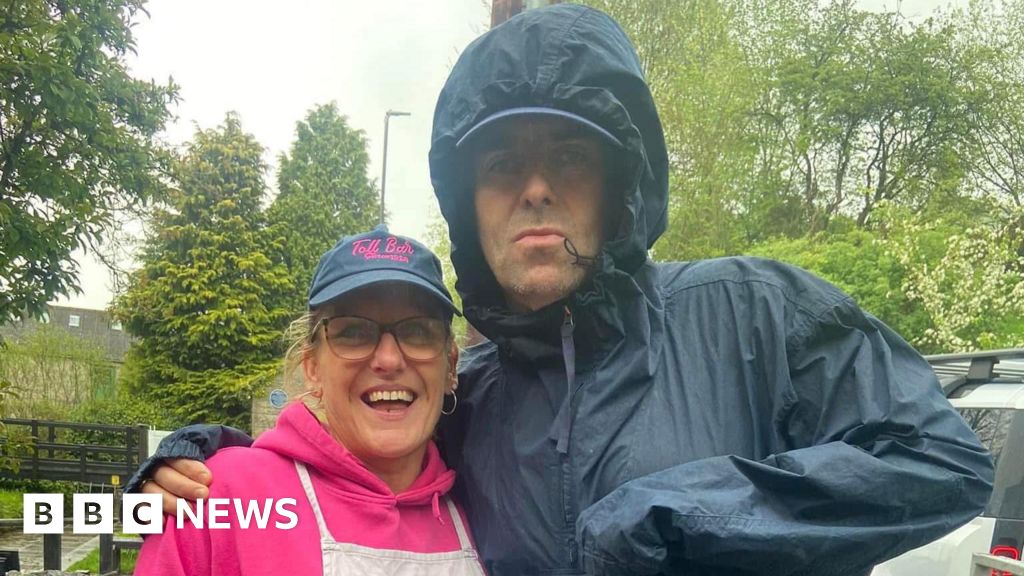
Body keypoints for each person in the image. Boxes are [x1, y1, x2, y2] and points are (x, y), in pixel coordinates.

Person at [131, 5, 994, 575]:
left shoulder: (753, 315)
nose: (536, 188)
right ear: (470, 210)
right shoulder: (472, 397)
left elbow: (940, 461)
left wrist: (682, 510)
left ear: (618, 188)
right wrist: (198, 455)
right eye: (503, 165)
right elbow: (354, 450)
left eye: (571, 158)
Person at [134, 227, 485, 576]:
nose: (389, 360)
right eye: (354, 332)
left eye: (418, 331)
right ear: (312, 367)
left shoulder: (488, 513)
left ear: (450, 366)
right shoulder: (213, 498)